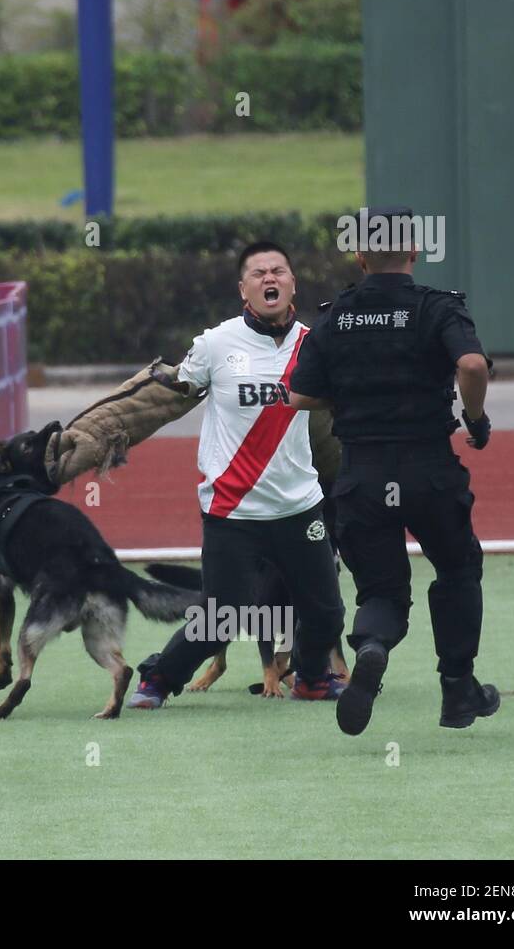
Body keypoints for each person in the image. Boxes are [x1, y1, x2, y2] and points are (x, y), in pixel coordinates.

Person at [288, 209, 498, 735]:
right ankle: (457, 693)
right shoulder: (437, 308)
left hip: (362, 474)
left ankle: (374, 647)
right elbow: (472, 366)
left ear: (359, 257)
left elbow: (298, 395)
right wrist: (475, 418)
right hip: (429, 469)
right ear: (415, 252)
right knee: (456, 571)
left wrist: (351, 396)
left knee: (381, 592)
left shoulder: (335, 316)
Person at [126, 241, 347, 709]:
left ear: (293, 284)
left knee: (327, 614)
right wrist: (113, 425)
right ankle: (158, 681)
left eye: (279, 271)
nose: (271, 278)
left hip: (299, 506)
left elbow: (345, 404)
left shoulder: (316, 345)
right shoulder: (215, 343)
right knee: (222, 617)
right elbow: (167, 394)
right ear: (243, 288)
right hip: (232, 509)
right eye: (259, 273)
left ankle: (310, 679)